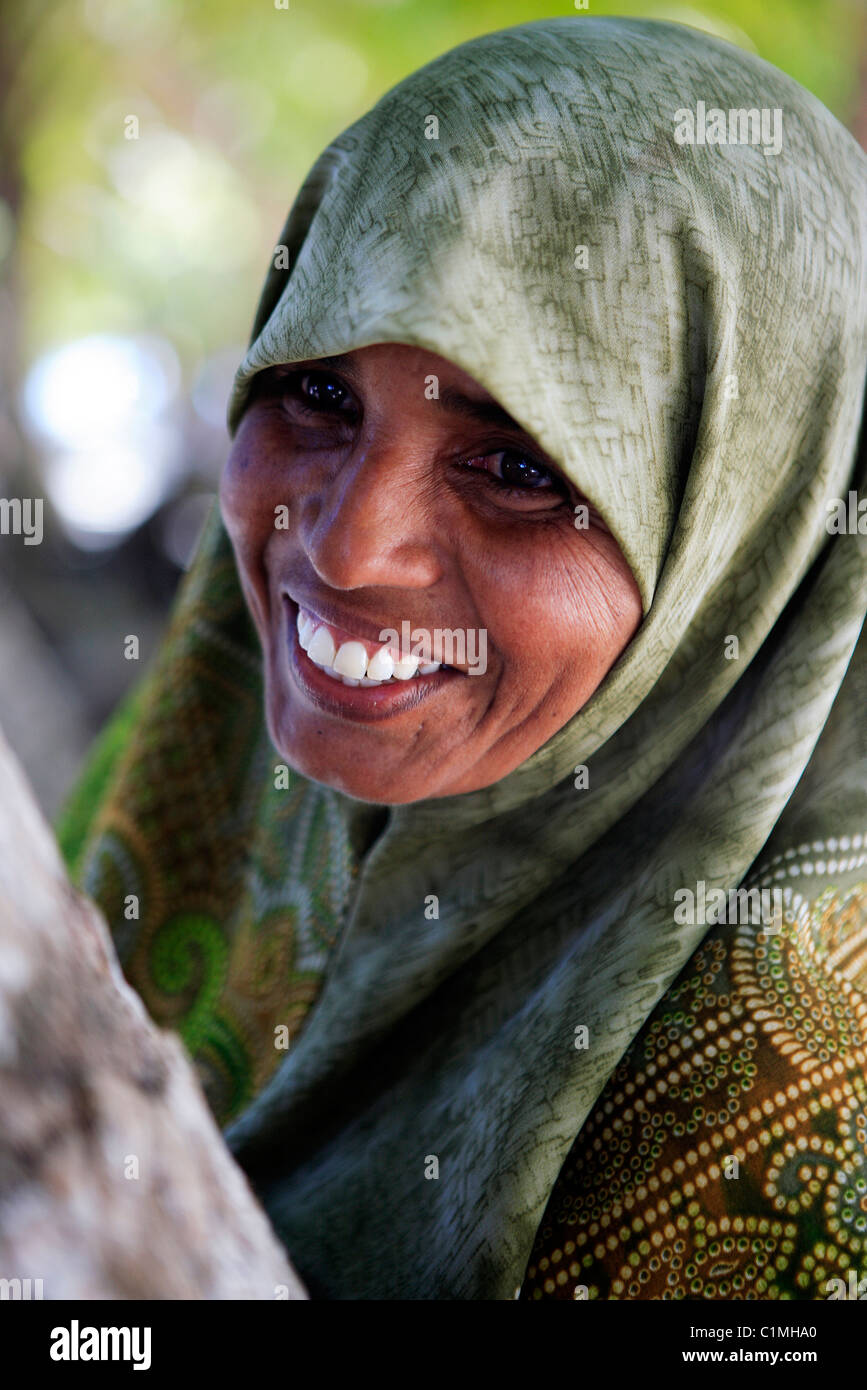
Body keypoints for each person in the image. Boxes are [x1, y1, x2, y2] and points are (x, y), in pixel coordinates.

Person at [58, 16, 867, 1300]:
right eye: (320, 392)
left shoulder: (798, 1096)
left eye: (518, 469)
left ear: (742, 540)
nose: (346, 547)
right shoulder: (210, 726)